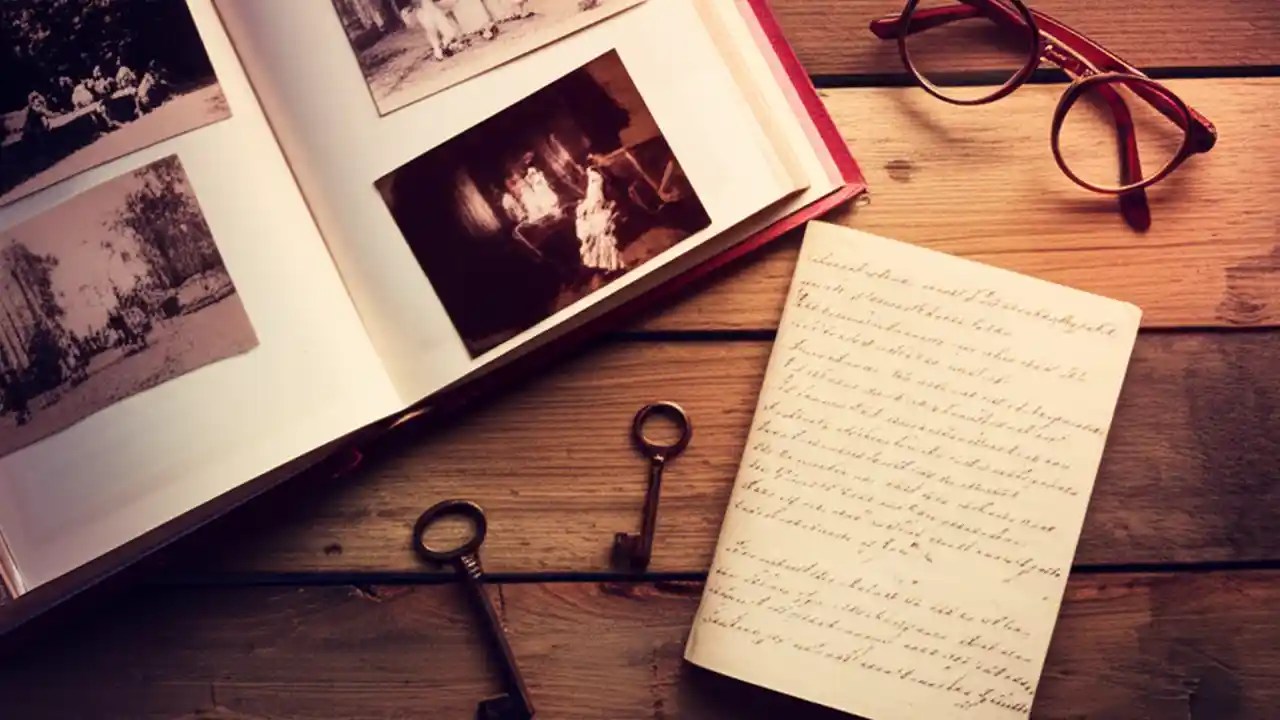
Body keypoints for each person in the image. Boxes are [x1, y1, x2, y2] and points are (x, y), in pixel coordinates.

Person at [575, 165, 625, 276]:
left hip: (599, 216)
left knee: (605, 243)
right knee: (599, 244)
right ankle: (609, 266)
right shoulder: (591, 189)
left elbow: (598, 201)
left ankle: (613, 266)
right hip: (596, 217)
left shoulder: (597, 185)